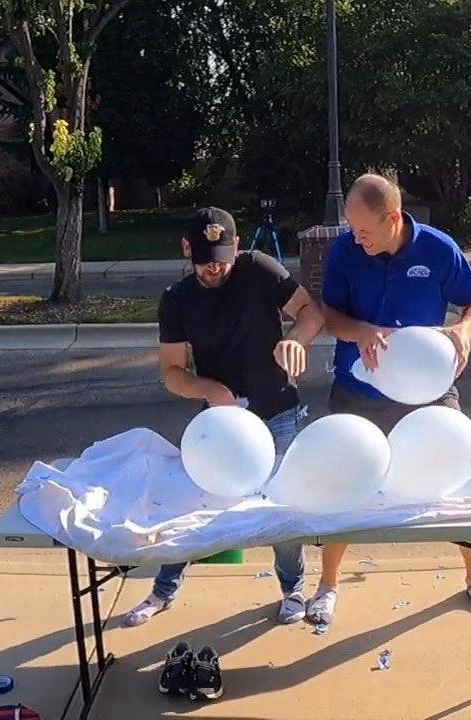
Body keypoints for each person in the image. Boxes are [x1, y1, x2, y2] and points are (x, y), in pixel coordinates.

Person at [308, 173, 471, 626]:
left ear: (393, 218)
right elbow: (329, 316)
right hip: (360, 388)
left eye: (364, 231)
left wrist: (464, 329)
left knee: (457, 482)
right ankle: (328, 585)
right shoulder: (344, 252)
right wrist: (360, 331)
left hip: (429, 391)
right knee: (343, 487)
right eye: (352, 230)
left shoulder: (437, 250)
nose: (356, 239)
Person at [122, 206, 325, 628]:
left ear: (235, 245)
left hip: (277, 411)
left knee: (280, 506)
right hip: (219, 423)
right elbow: (172, 373)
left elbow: (311, 312)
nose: (213, 267)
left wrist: (295, 339)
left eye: (221, 256)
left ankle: (293, 589)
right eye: (203, 258)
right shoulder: (177, 300)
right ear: (185, 249)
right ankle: (163, 590)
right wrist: (209, 390)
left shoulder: (259, 270)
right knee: (194, 503)